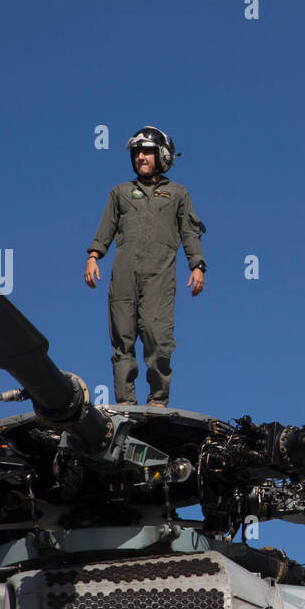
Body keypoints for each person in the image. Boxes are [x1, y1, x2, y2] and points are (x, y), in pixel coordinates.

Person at [84, 126, 206, 407]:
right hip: (124, 275)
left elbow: (190, 232)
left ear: (162, 155)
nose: (140, 157)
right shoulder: (120, 192)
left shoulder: (177, 194)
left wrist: (197, 265)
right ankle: (125, 401)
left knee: (157, 335)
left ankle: (158, 399)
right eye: (137, 153)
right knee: (122, 336)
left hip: (159, 276)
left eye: (147, 152)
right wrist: (93, 256)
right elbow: (106, 228)